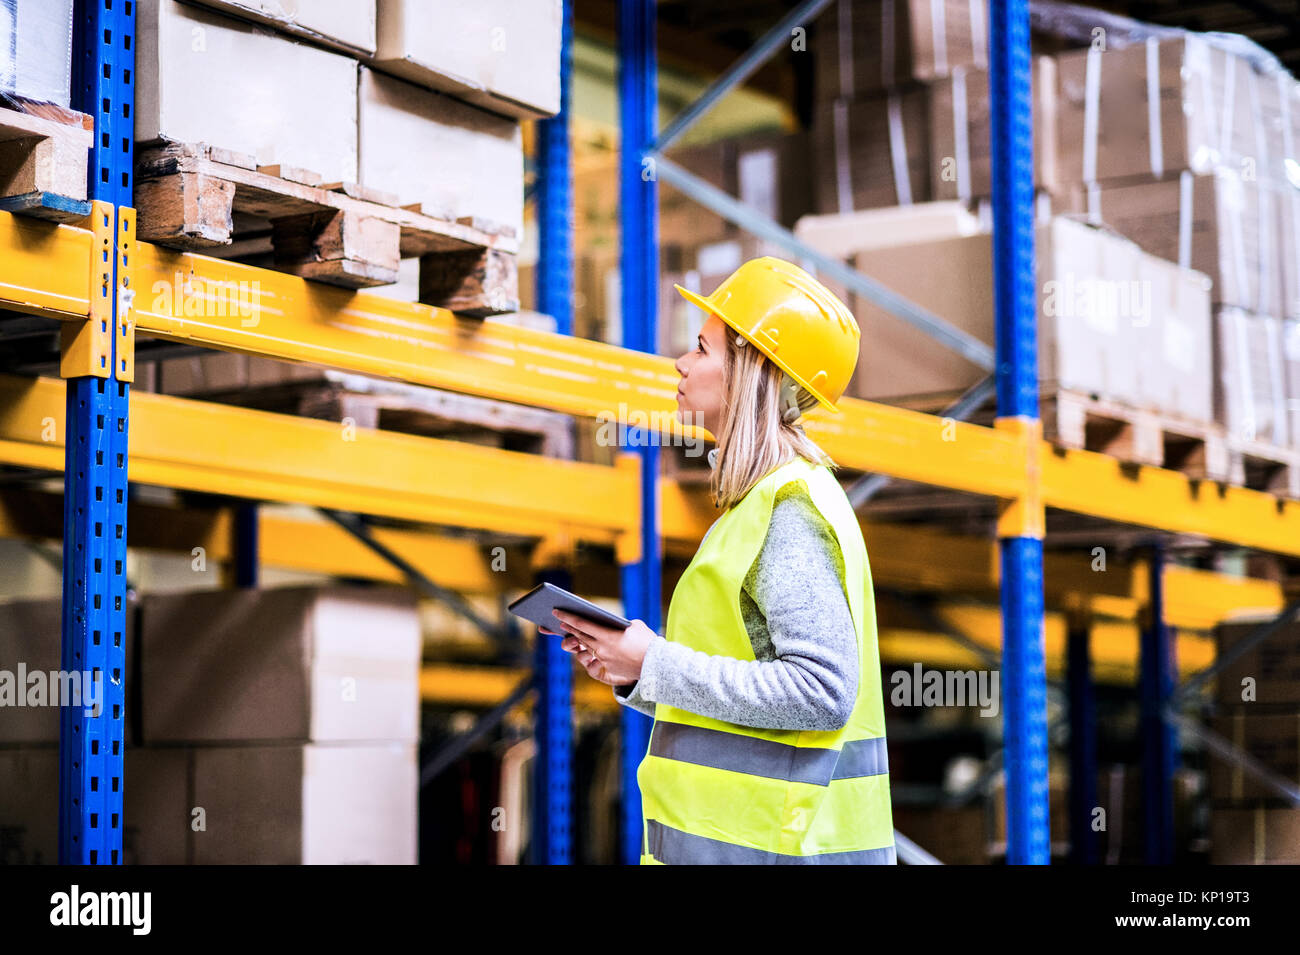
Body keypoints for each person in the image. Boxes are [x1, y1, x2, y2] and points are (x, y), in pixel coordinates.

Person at [541, 257, 894, 864]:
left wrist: (655, 659)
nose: (681, 363)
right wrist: (636, 672)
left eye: (702, 349)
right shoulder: (753, 506)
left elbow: (821, 691)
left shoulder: (789, 509)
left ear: (752, 371)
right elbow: (743, 702)